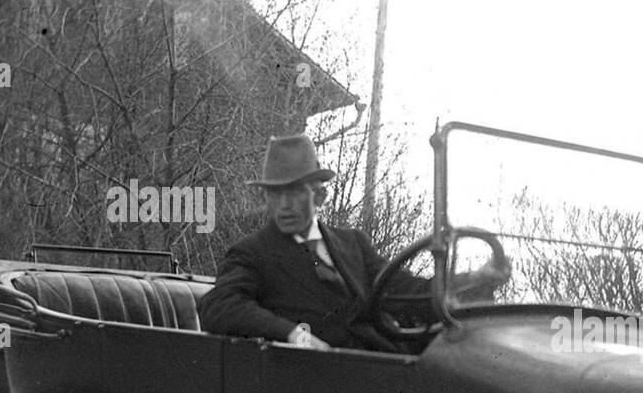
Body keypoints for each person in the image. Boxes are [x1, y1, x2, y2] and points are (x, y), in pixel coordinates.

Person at [200, 133, 506, 351]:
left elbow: (404, 290)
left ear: (319, 196)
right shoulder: (253, 253)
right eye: (274, 195)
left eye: (294, 193)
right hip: (321, 386)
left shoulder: (353, 244)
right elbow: (219, 305)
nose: (283, 205)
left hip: (385, 362)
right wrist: (295, 335)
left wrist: (474, 279)